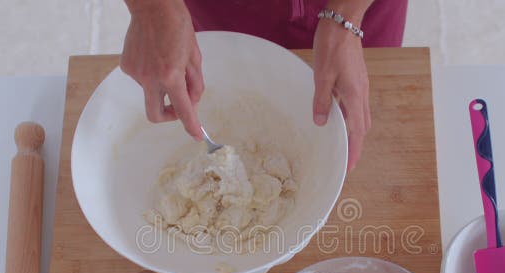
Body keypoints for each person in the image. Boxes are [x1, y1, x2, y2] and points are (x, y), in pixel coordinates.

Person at [121, 0, 408, 169]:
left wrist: (348, 14)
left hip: (361, 12)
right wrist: (151, 8)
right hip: (230, 8)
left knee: (353, 119)